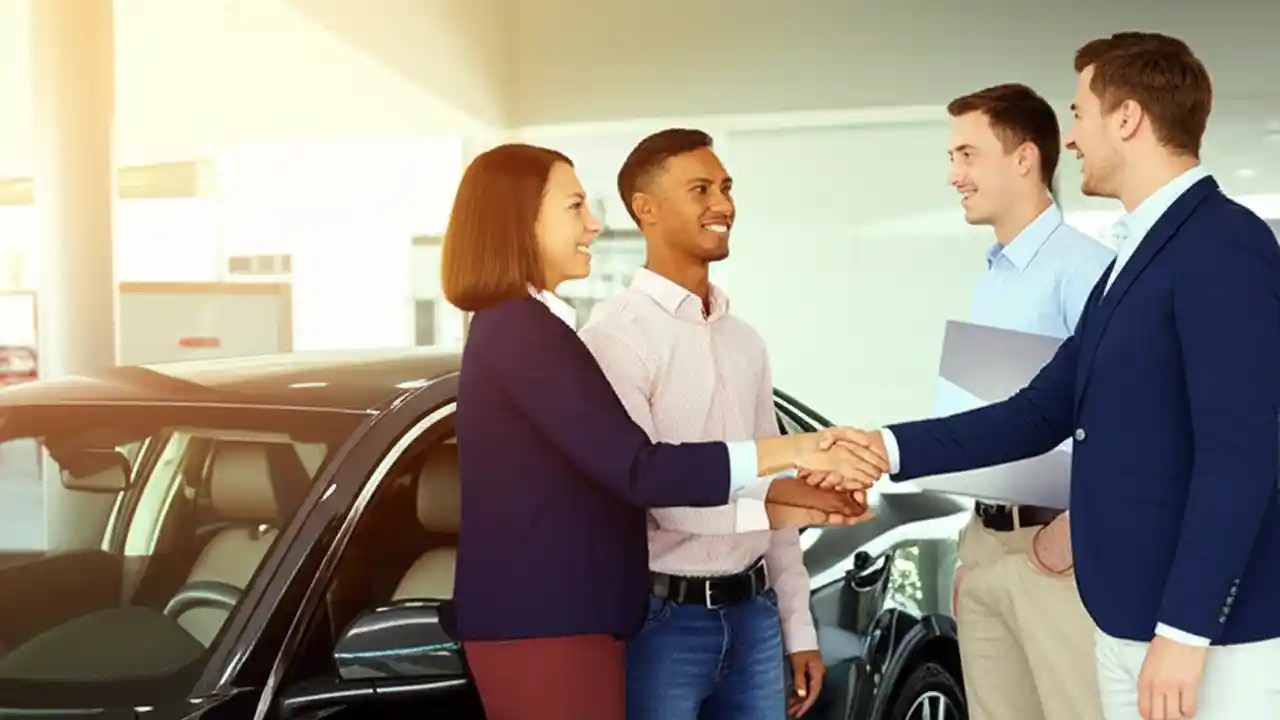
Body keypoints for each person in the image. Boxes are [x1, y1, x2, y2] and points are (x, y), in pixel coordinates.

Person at [828, 32, 1280, 720]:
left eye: (1079, 114)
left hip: (1203, 639)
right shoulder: (1132, 261)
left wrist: (1186, 632)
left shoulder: (1224, 242)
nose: (1072, 138)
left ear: (1125, 119)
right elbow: (1037, 411)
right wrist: (884, 448)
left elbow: (1242, 455)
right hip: (1128, 616)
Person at [441, 142, 887, 720]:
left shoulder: (530, 329)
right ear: (520, 220)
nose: (594, 224)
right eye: (574, 206)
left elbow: (611, 482)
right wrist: (796, 449)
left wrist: (796, 503)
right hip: (547, 624)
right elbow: (639, 471)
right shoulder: (523, 332)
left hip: (566, 623)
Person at [580, 129, 860, 720]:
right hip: (660, 626)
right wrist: (795, 502)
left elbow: (770, 472)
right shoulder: (612, 338)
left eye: (727, 187)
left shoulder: (745, 342)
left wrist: (797, 626)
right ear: (646, 209)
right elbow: (657, 500)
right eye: (701, 189)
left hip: (754, 617)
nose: (724, 205)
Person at [942, 83, 1114, 720]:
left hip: (1058, 556)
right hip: (989, 546)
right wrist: (977, 547)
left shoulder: (1088, 270)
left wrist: (1076, 531)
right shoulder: (995, 271)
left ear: (1024, 158)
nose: (954, 175)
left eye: (967, 154)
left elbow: (1132, 418)